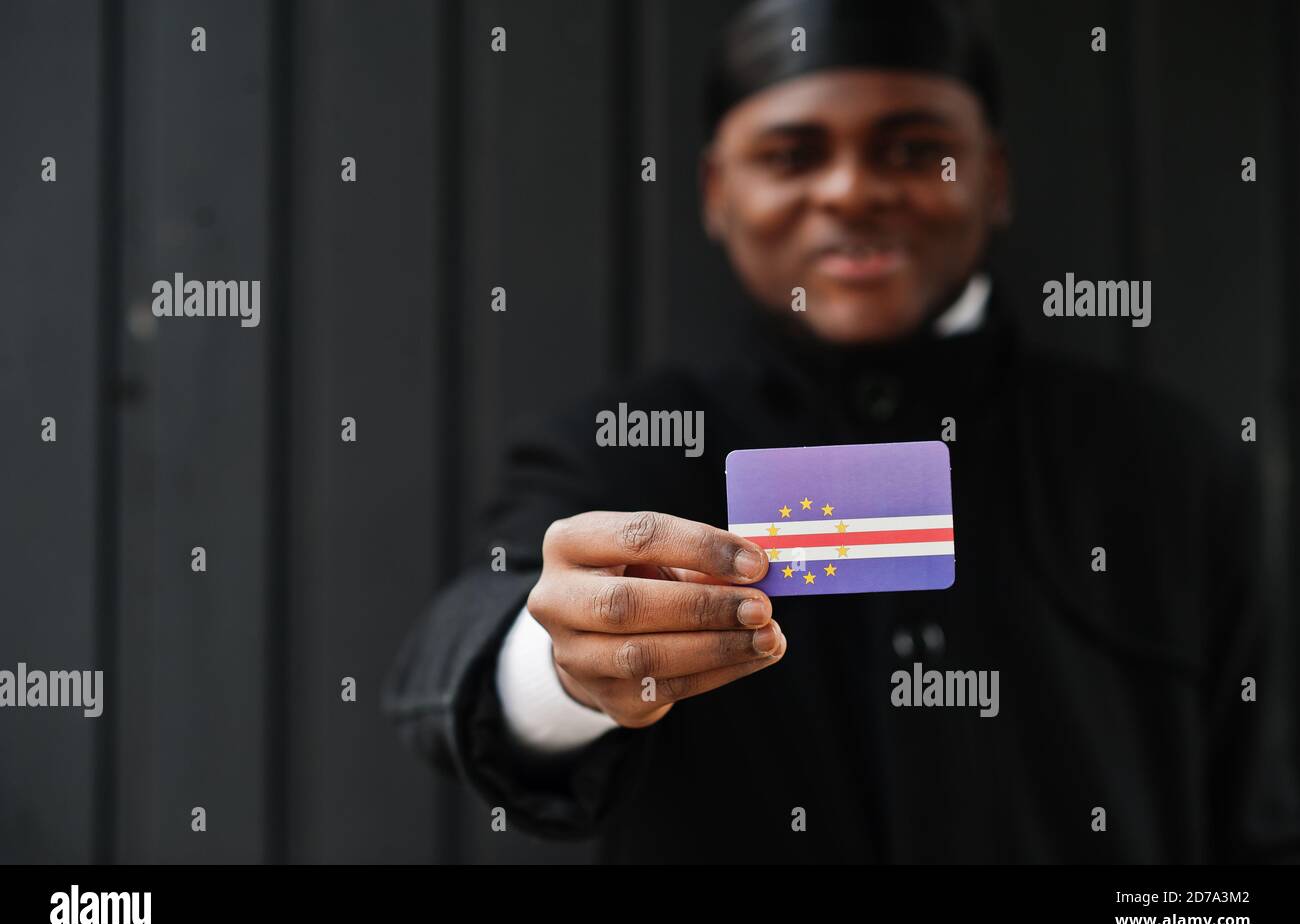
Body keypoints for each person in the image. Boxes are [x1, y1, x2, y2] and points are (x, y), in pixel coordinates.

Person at [382, 0, 1300, 863]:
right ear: (715, 191)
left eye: (914, 150)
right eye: (792, 154)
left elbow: (1254, 827)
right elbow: (461, 649)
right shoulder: (619, 448)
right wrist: (565, 662)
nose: (854, 191)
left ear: (995, 178)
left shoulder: (1169, 467)